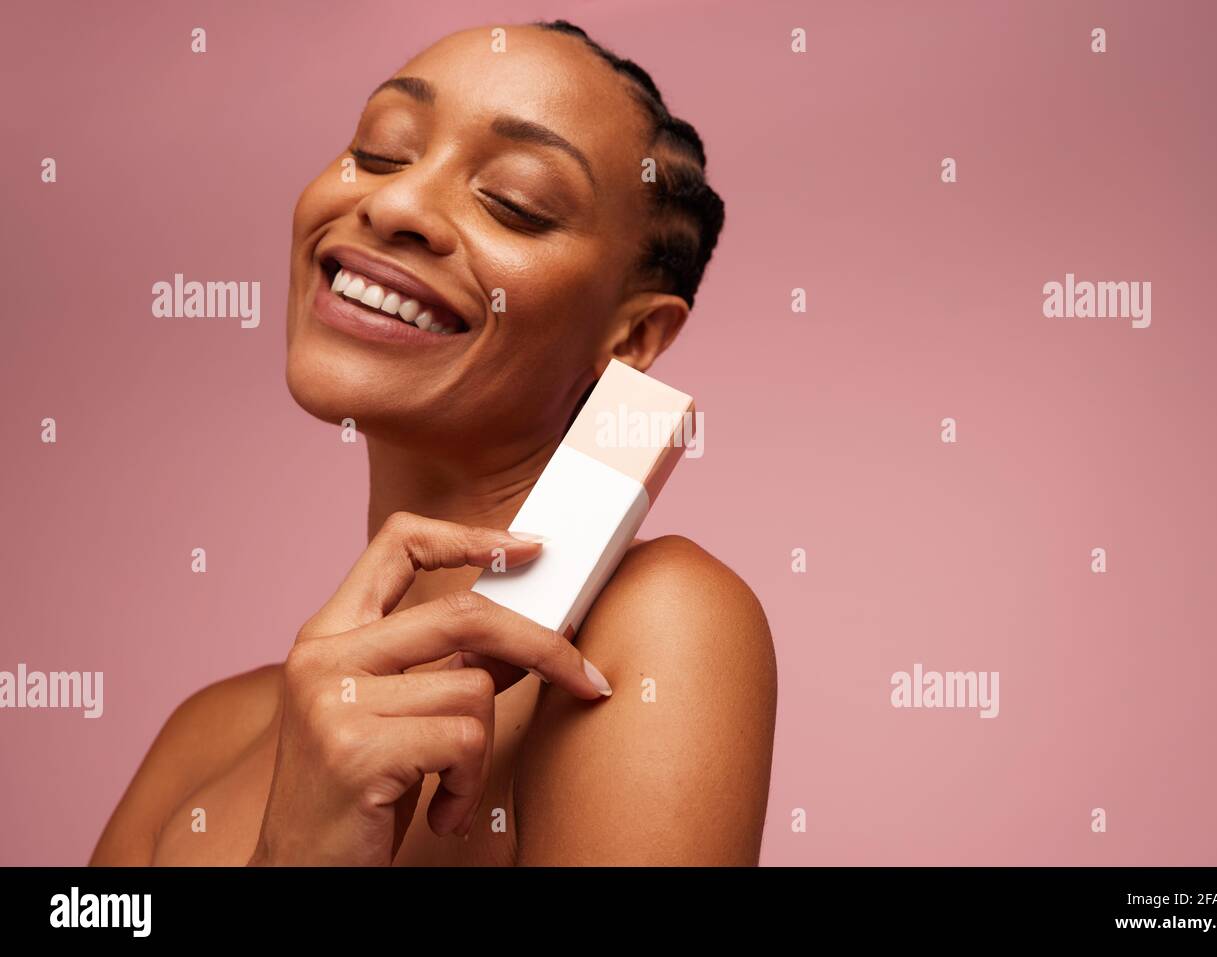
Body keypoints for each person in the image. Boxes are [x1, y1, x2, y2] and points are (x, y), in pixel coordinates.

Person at [91, 19, 776, 867]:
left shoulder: (661, 623)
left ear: (632, 339)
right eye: (381, 150)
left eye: (516, 202)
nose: (395, 203)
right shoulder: (202, 736)